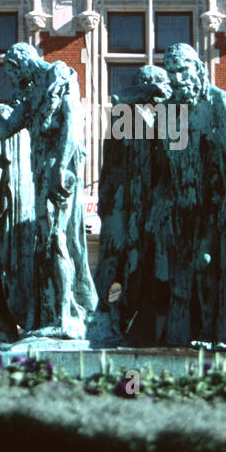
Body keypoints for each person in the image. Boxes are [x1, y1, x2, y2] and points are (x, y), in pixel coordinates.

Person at [0, 43, 96, 340]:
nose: (12, 81)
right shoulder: (30, 98)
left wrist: (62, 168)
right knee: (46, 245)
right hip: (41, 174)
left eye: (10, 73)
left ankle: (65, 317)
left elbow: (72, 123)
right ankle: (54, 315)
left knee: (56, 240)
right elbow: (3, 130)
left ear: (20, 63)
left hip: (58, 174)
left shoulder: (58, 73)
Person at [148, 43, 226, 347]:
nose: (176, 78)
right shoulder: (168, 111)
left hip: (213, 203)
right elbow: (164, 164)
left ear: (198, 68)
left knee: (207, 264)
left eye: (182, 70)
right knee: (178, 275)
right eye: (171, 72)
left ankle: (213, 334)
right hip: (179, 203)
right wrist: (161, 202)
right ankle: (181, 337)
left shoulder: (217, 102)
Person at [94, 64, 172, 341]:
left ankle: (153, 326)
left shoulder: (173, 117)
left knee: (154, 265)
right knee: (115, 262)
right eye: (146, 84)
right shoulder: (123, 116)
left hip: (158, 208)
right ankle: (109, 314)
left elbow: (177, 164)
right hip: (123, 206)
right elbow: (111, 169)